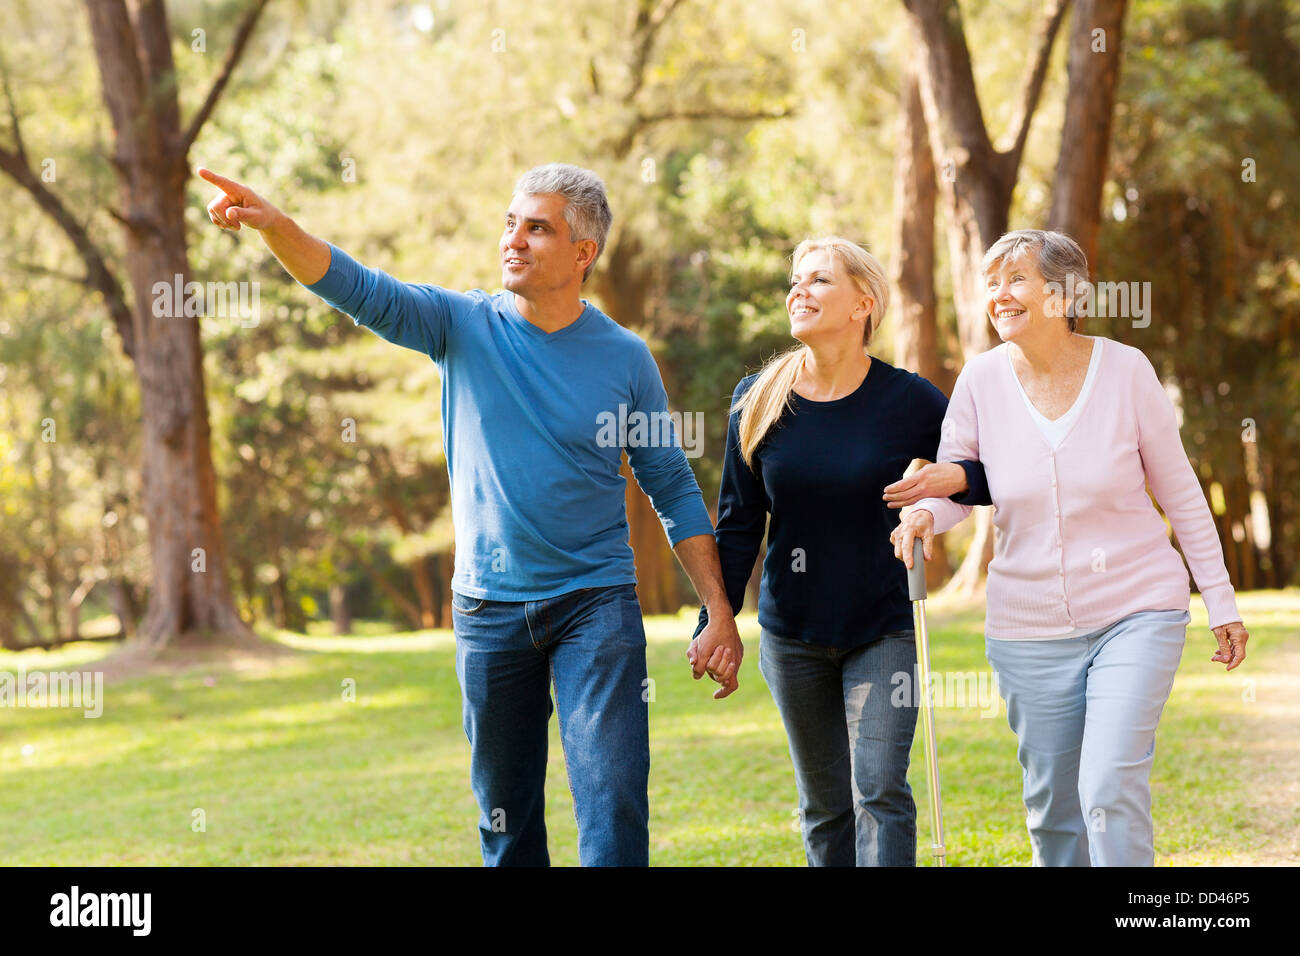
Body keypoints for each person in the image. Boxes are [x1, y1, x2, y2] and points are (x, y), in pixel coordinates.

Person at [199, 162, 744, 867]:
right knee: (506, 820)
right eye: (509, 223)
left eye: (536, 227)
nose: (512, 239)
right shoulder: (460, 325)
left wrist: (718, 609)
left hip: (595, 603)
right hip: (488, 611)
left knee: (612, 803)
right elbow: (358, 289)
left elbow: (669, 483)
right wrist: (277, 227)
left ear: (584, 253)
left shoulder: (624, 359)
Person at [887, 228, 1250, 867]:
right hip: (1026, 628)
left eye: (1015, 279)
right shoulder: (981, 381)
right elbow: (957, 487)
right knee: (1055, 811)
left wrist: (1220, 601)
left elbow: (1183, 495)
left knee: (1108, 786)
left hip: (1136, 609)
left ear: (1063, 293)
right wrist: (923, 513)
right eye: (991, 283)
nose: (998, 295)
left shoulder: (1126, 370)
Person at [691, 236, 990, 866]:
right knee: (824, 807)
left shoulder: (908, 399)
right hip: (792, 635)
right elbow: (741, 521)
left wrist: (936, 495)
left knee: (879, 788)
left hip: (883, 626)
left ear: (864, 304)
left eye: (819, 280)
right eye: (796, 281)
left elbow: (982, 474)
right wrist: (718, 618)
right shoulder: (758, 397)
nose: (799, 290)